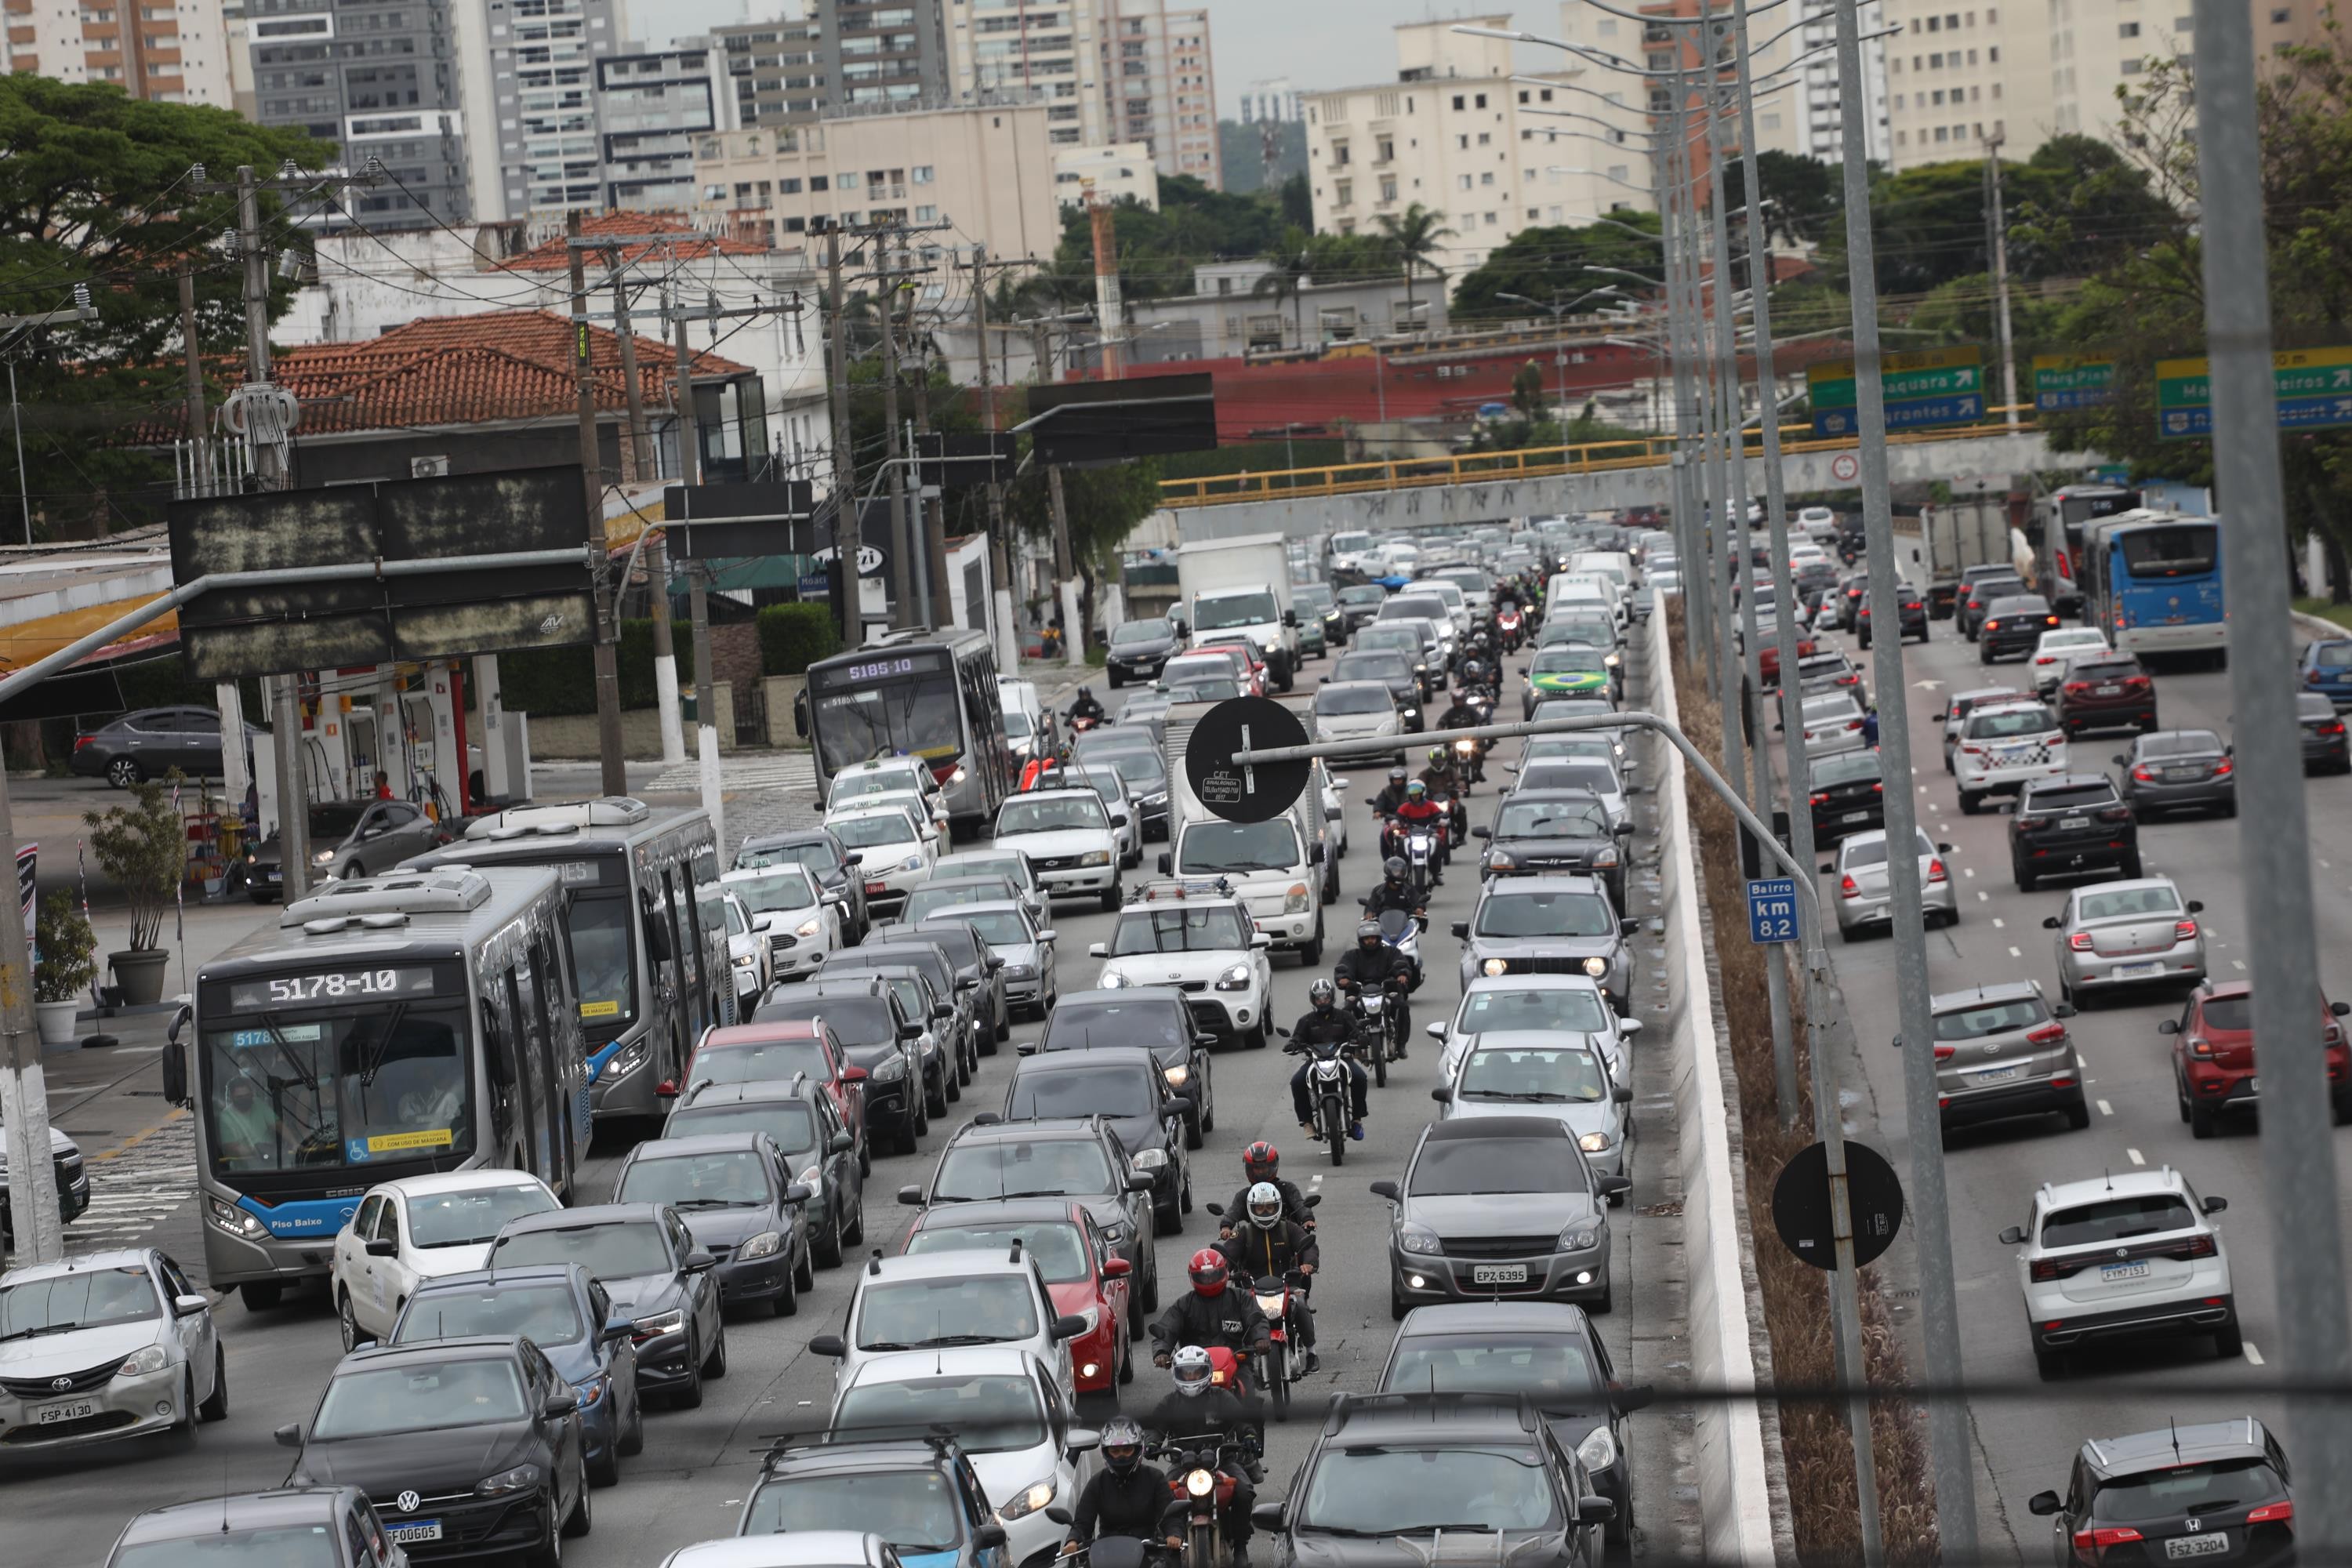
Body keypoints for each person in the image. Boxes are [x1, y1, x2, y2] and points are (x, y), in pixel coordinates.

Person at [1138, 1348, 1261, 1559]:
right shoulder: (1170, 1402)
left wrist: (1249, 1436)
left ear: (1207, 1372)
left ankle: (1241, 1545)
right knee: (1160, 1497)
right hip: (1182, 1462)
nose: (1191, 1377)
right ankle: (1166, 1550)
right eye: (1186, 1373)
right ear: (1177, 1375)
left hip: (1221, 1461)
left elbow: (1240, 1419)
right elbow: (1155, 1427)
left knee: (1243, 1491)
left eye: (1196, 1372)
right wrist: (1151, 1443)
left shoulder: (1222, 1397)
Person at [1216, 1183, 1319, 1371]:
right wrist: (1221, 1270)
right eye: (1260, 1208)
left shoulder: (1288, 1228)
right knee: (1233, 1315)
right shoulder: (1243, 1233)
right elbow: (1227, 1255)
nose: (1264, 1212)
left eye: (1269, 1207)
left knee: (1301, 1305)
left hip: (1287, 1285)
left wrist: (1308, 1263)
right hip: (1252, 1290)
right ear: (1251, 1209)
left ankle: (1312, 1353)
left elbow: (1309, 1245)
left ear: (1278, 1207)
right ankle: (1235, 1357)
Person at [1062, 1416, 1181, 1558]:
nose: (1121, 1456)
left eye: (1127, 1449)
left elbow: (1170, 1515)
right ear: (1106, 1452)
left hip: (1148, 1552)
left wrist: (1174, 1534)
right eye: (1115, 1451)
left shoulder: (1155, 1478)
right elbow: (1083, 1522)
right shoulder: (1097, 1482)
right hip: (1106, 1553)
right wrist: (1073, 1540)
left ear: (1138, 1449)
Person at [1151, 1250, 1272, 1385]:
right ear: (1192, 1276)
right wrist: (1162, 1351)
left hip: (1237, 1362)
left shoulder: (1240, 1298)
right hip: (1195, 1367)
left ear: (1224, 1271)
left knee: (1248, 1392)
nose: (1209, 1280)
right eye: (1203, 1277)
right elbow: (1168, 1326)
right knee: (1179, 1400)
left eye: (1213, 1275)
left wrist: (1261, 1338)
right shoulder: (1184, 1304)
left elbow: (1257, 1318)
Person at [1284, 978, 1367, 1137]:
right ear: (1313, 999)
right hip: (1315, 1061)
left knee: (1360, 1077)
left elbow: (1356, 1032)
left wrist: (1361, 1038)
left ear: (1332, 997)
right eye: (1319, 998)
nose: (1323, 1001)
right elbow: (1297, 1037)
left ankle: (1357, 1120)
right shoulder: (1306, 1020)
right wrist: (1292, 1044)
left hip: (1342, 1058)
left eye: (1326, 997)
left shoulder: (1344, 1016)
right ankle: (1307, 1123)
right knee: (1297, 1081)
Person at [1334, 917, 1415, 1053]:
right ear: (1361, 940)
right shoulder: (1352, 955)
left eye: (1373, 938)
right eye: (1367, 938)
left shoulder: (1390, 952)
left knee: (1402, 1007)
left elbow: (1400, 963)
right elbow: (1344, 967)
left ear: (1378, 938)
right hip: (1360, 993)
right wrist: (1344, 978)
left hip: (1386, 991)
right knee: (1344, 1012)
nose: (1370, 941)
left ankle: (1401, 1044)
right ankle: (1348, 1046)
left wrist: (1402, 974)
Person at [1220, 1142, 1312, 1235]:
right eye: (1257, 1168)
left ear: (1272, 1166)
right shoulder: (1244, 1195)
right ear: (1250, 1168)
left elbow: (1299, 1204)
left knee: (1309, 1246)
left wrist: (1307, 1219)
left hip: (1288, 1236)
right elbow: (1234, 1210)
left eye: (1264, 1167)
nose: (1261, 1171)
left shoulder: (1287, 1188)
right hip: (1255, 1238)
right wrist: (1226, 1227)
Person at [212, 1075, 280, 1168]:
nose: (244, 1099)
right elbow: (231, 1148)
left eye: (247, 1095)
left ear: (252, 1093)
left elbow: (278, 1125)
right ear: (232, 1097)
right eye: (239, 1097)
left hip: (273, 1160)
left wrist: (294, 1143)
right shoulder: (226, 1116)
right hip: (246, 1168)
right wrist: (256, 1150)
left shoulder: (258, 1103)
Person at [1390, 781, 1450, 884]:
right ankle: (1401, 873)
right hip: (1410, 833)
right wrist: (1395, 822)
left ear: (1422, 793)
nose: (1415, 797)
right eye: (1413, 795)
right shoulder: (1405, 807)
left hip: (1428, 833)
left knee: (1437, 845)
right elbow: (1398, 817)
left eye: (1417, 794)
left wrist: (1442, 821)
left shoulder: (1430, 805)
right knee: (1400, 845)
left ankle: (1436, 874)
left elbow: (1439, 816)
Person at [1361, 855, 1423, 924]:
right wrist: (1369, 912)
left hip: (1405, 926)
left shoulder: (1408, 889)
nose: (1399, 874)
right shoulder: (1379, 891)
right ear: (1388, 871)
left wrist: (1419, 908)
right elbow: (1371, 904)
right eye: (1396, 871)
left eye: (1401, 872)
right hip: (1383, 927)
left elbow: (1417, 899)